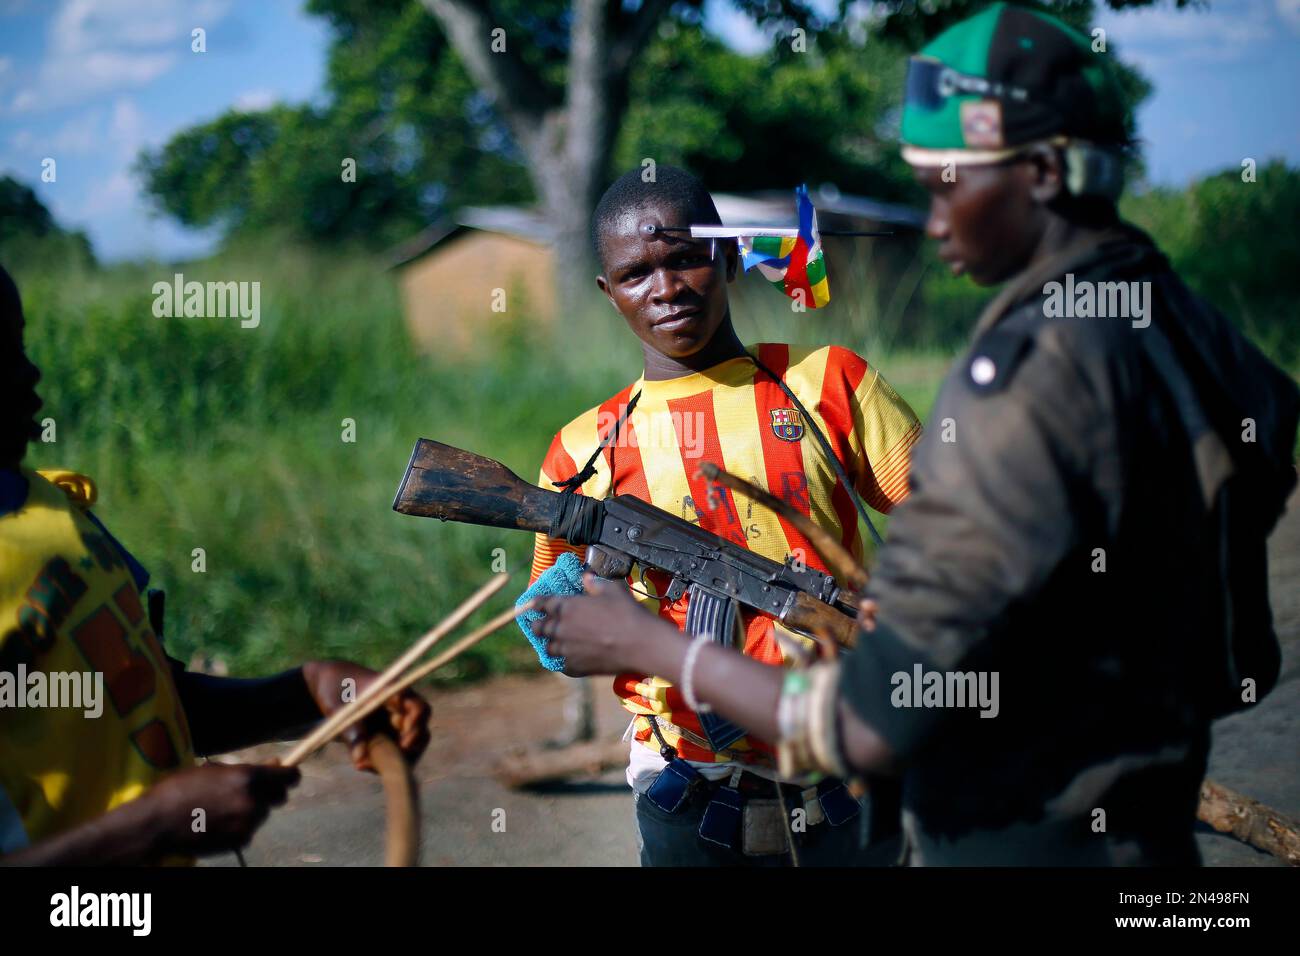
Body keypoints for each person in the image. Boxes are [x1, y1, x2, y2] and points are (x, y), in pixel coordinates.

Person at [532, 3, 1300, 866]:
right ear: (608, 289)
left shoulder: (945, 377)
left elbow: (881, 702)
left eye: (946, 182)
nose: (933, 221)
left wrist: (668, 647)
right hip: (707, 787)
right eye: (638, 272)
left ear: (1043, 171)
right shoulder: (1191, 328)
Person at [523, 165, 921, 865]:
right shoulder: (585, 448)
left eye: (685, 259)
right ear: (607, 292)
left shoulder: (827, 383)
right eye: (637, 272)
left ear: (730, 256)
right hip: (687, 792)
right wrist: (566, 609)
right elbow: (555, 618)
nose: (666, 288)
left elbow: (951, 538)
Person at [0, 264, 431, 864]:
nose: (28, 372)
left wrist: (310, 692)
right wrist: (152, 825)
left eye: (16, 343)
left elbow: (154, 700)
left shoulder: (61, 509)